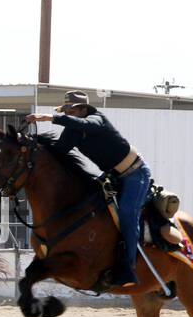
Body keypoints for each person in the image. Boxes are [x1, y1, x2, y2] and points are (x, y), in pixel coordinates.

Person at [25, 90, 150, 287]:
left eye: (70, 110)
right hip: (113, 176)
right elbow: (57, 154)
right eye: (65, 110)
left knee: (127, 212)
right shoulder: (73, 131)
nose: (67, 114)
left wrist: (49, 117)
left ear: (83, 109)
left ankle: (128, 267)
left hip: (135, 174)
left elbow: (84, 125)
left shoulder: (97, 119)